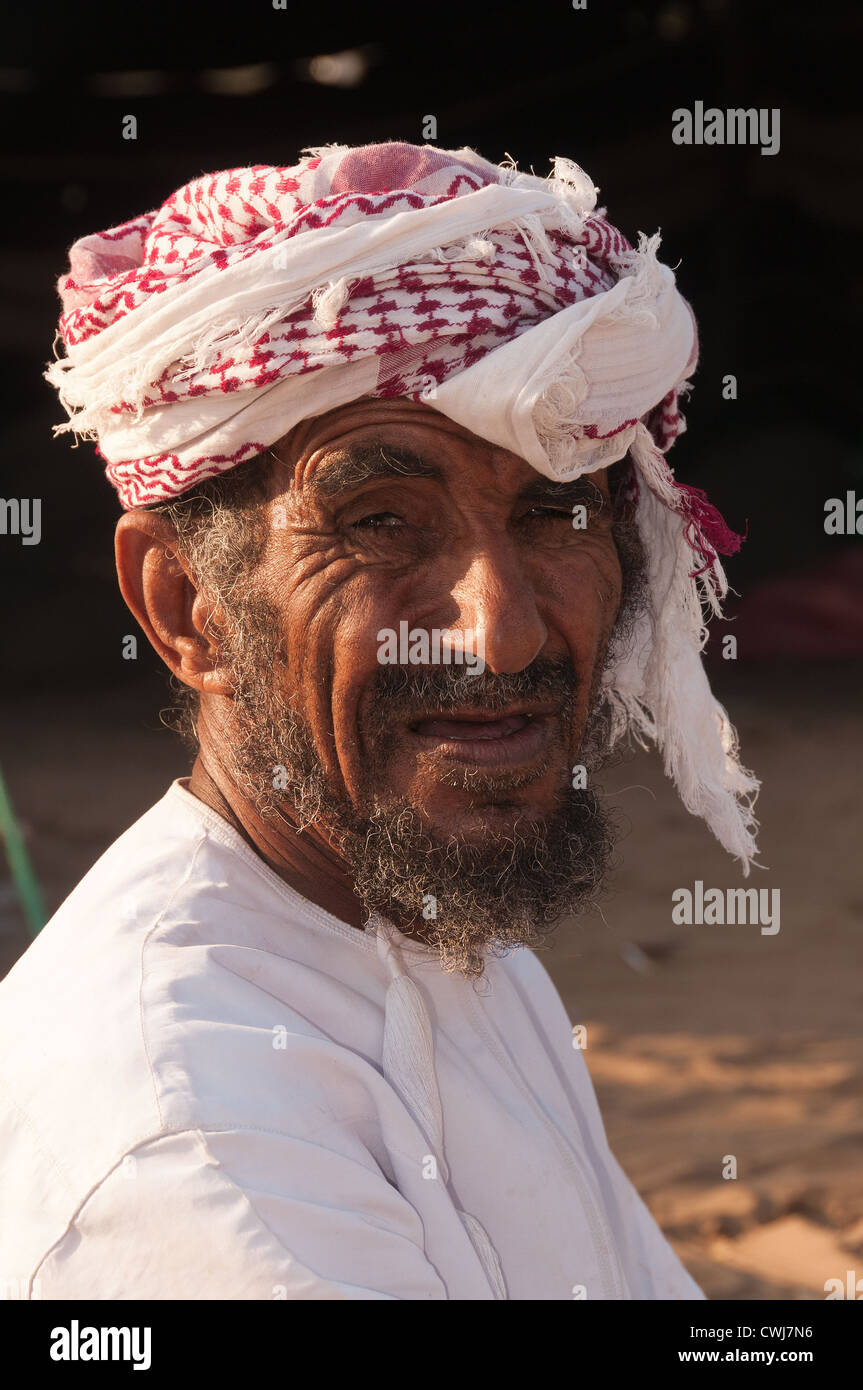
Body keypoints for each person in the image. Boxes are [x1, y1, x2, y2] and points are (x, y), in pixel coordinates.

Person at [0, 141, 759, 1300]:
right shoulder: (195, 1151)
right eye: (376, 521)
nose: (499, 634)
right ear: (184, 605)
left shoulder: (439, 936)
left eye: (554, 511)